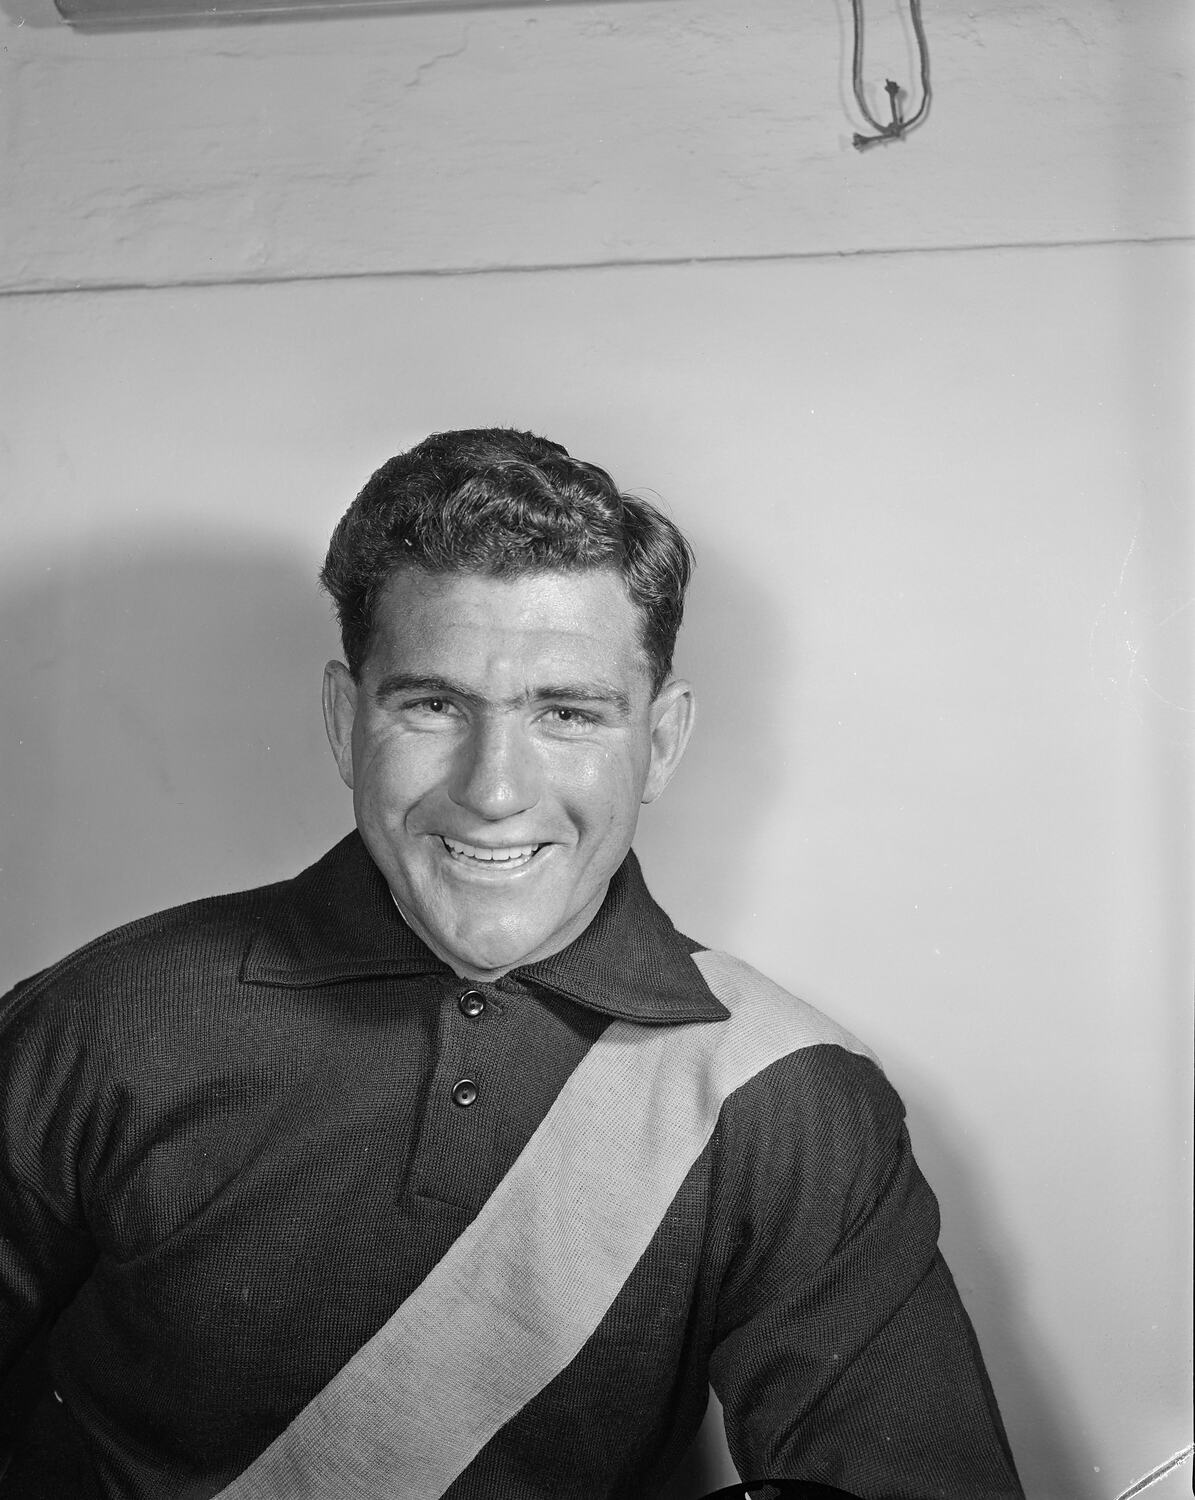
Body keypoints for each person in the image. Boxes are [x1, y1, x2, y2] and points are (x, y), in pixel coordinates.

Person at [0, 429, 1024, 1499]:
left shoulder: (784, 1096)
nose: (493, 790)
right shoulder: (105, 1020)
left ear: (661, 742)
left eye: (567, 713)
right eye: (434, 705)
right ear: (348, 723)